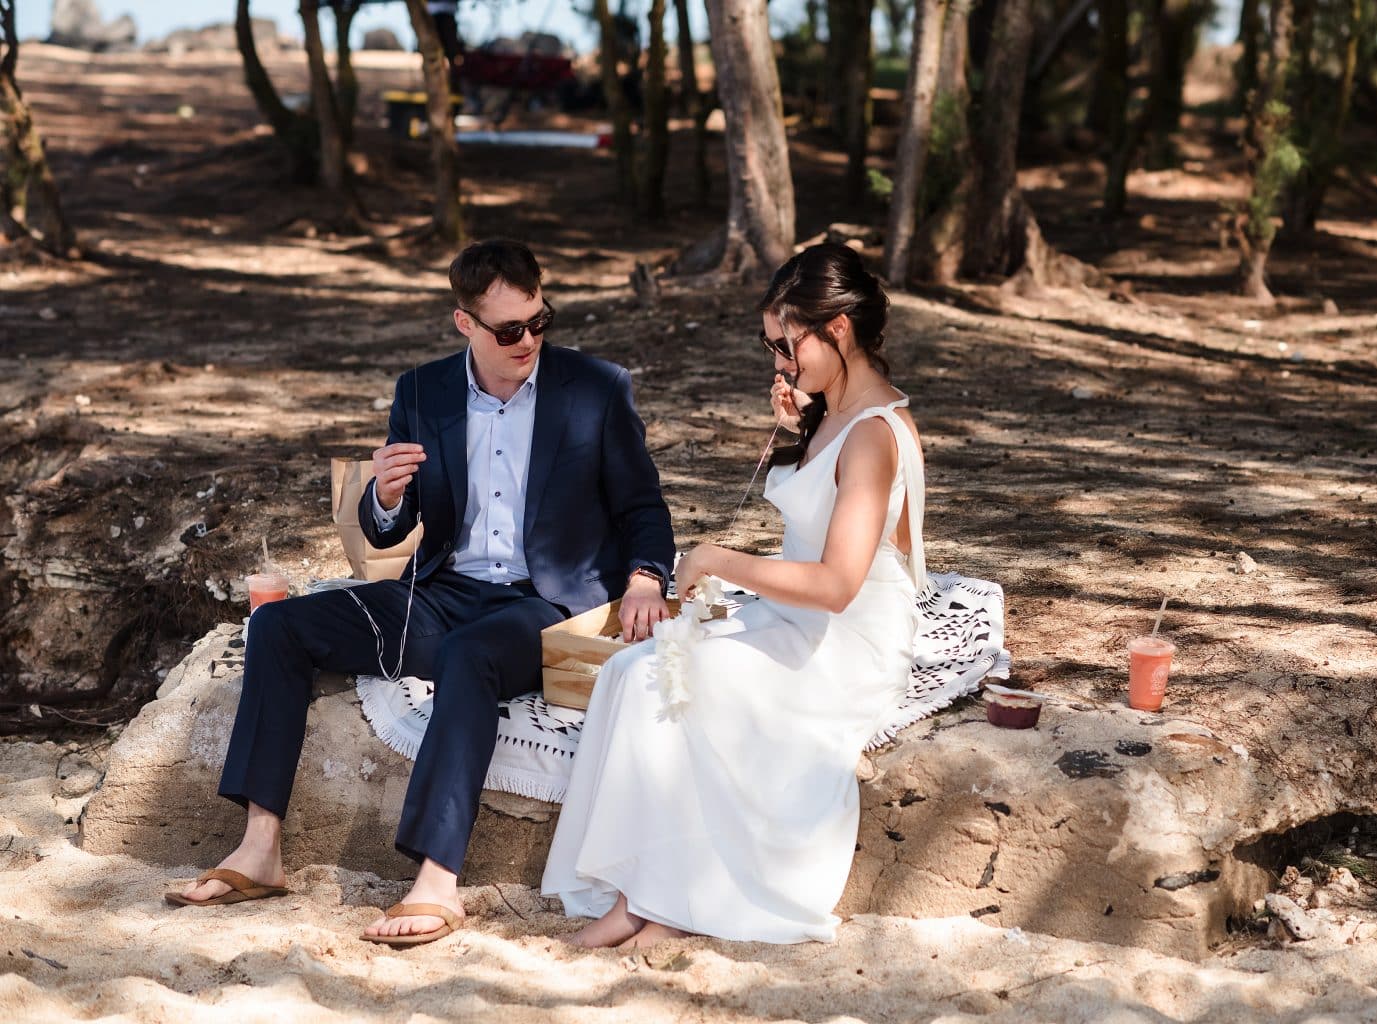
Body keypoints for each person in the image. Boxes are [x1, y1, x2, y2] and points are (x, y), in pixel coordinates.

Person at [167, 238, 675, 948]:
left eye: (539, 321)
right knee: (279, 628)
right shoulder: (422, 391)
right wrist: (383, 494)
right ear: (464, 323)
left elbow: (643, 506)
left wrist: (647, 576)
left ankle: (438, 881)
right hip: (443, 590)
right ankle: (261, 846)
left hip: (546, 605)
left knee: (470, 656)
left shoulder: (595, 387)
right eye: (508, 330)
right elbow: (388, 530)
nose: (527, 340)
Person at [542, 243, 926, 948]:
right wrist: (805, 419)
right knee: (635, 666)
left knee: (677, 679)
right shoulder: (835, 410)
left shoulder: (874, 434)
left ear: (836, 329)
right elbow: (817, 507)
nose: (780, 363)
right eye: (773, 346)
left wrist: (723, 558)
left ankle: (662, 904)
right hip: (795, 616)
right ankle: (639, 892)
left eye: (788, 345)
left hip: (841, 643)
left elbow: (840, 584)